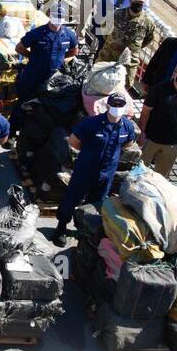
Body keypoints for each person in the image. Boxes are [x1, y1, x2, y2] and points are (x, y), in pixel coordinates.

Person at [52, 92, 138, 243]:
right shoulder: (91, 123)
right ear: (108, 105)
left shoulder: (127, 127)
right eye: (114, 105)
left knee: (96, 203)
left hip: (106, 174)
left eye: (120, 105)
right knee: (72, 198)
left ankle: (84, 230)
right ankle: (61, 227)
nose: (117, 108)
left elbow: (128, 144)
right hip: (85, 170)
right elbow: (73, 141)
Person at [138, 62, 177, 177]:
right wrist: (142, 132)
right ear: (174, 73)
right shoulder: (159, 89)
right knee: (138, 170)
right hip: (151, 139)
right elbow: (146, 111)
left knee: (161, 177)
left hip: (173, 144)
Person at [15, 4, 78, 104]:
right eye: (56, 15)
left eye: (60, 16)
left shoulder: (69, 35)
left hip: (53, 76)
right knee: (24, 98)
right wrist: (31, 56)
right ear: (49, 14)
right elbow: (19, 47)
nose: (58, 19)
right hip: (34, 73)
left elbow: (74, 50)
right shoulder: (36, 33)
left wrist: (61, 58)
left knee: (48, 102)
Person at [97, 0, 157, 91]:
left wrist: (133, 48)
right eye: (135, 2)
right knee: (97, 78)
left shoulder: (148, 22)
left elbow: (148, 39)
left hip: (129, 60)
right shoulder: (116, 14)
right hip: (108, 55)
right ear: (130, 2)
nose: (137, 5)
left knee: (125, 86)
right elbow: (104, 30)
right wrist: (112, 43)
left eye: (140, 3)